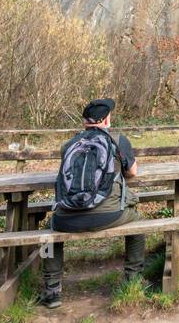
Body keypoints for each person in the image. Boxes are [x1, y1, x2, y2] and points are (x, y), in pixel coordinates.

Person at [39, 98, 140, 309]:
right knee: (137, 225)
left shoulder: (69, 144)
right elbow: (132, 173)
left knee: (47, 234)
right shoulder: (117, 140)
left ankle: (51, 289)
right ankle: (134, 279)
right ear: (105, 120)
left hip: (67, 219)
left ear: (85, 121)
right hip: (109, 215)